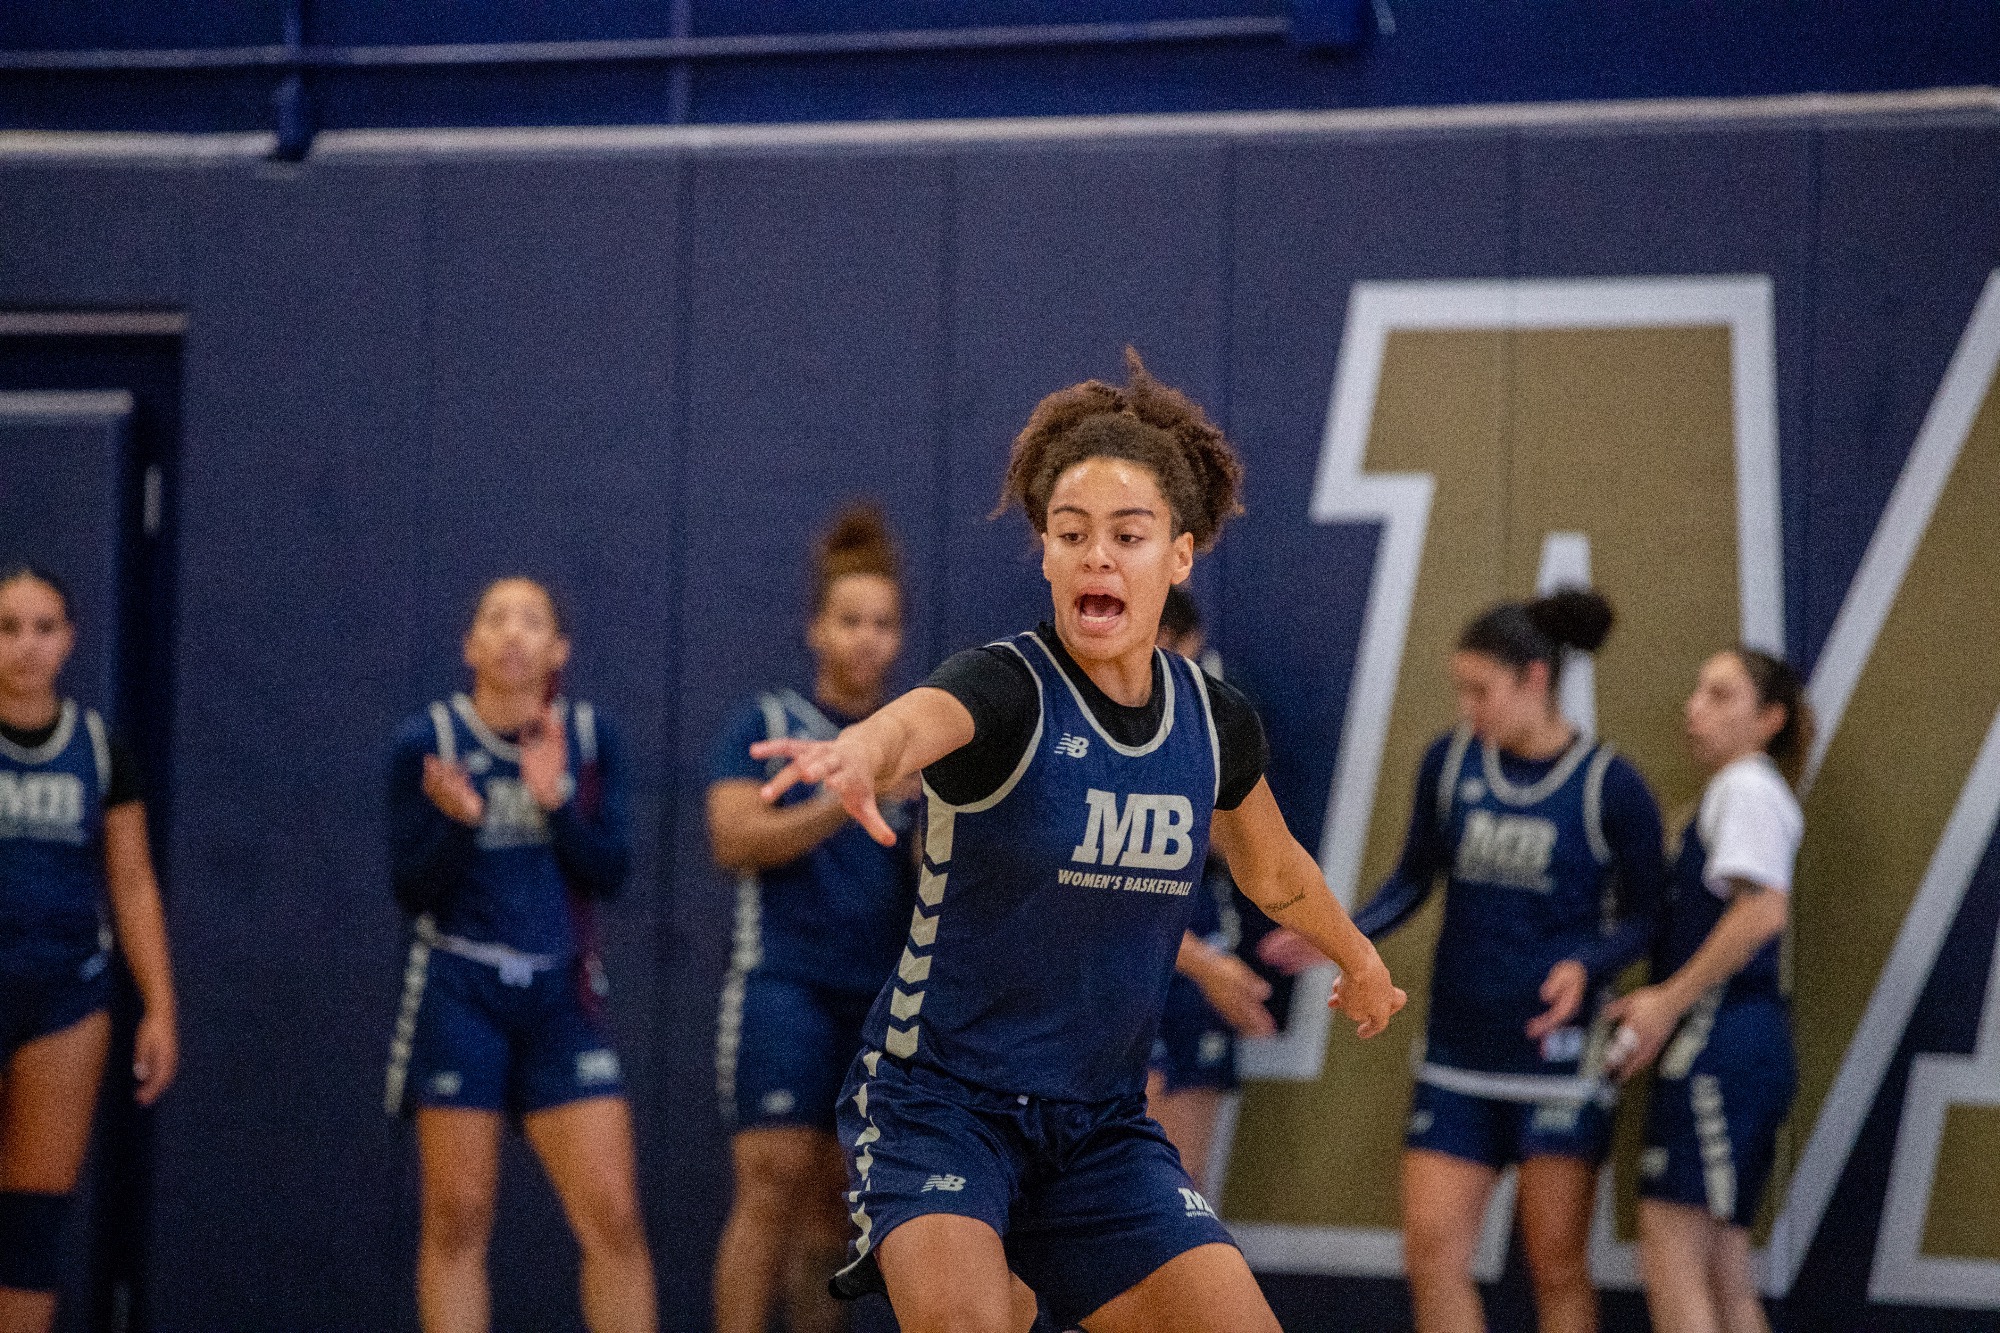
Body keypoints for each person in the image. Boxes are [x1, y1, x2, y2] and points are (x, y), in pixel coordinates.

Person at [752, 350, 1406, 1333]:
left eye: (1126, 535)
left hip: (1096, 1125)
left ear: (1177, 556)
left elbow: (1271, 869)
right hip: (941, 1103)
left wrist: (1355, 956)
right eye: (1071, 534)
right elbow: (909, 726)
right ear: (1047, 555)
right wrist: (860, 750)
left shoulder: (1210, 721)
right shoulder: (1003, 687)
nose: (1096, 555)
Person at [1351, 590, 1667, 1333]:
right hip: (1457, 1053)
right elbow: (1412, 877)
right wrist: (1344, 934)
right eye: (1460, 689)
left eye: (1480, 690)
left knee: (1554, 1264)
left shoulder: (1609, 785)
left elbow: (1652, 917)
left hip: (1554, 1061)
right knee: (1432, 1254)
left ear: (1533, 678)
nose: (1468, 708)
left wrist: (1587, 963)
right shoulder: (1450, 762)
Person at [384, 577, 655, 1333]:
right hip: (460, 989)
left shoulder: (590, 737)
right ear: (469, 644)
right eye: (495, 619)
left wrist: (556, 802)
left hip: (560, 992)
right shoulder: (428, 742)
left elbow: (611, 872)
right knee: (459, 1217)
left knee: (614, 1214)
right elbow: (412, 889)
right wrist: (460, 823)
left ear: (558, 649)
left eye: (531, 620)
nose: (512, 633)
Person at [708, 505, 920, 1333]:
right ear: (816, 630)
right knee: (770, 1179)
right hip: (783, 985)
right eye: (850, 621)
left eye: (883, 624)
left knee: (839, 1209)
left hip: (879, 998)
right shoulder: (766, 725)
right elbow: (733, 838)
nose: (866, 639)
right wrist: (842, 799)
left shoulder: (910, 739)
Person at [1605, 648, 1808, 1333]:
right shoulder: (1741, 790)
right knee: (1723, 1272)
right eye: (1698, 689)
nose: (1696, 707)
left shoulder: (1746, 788)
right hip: (1737, 1049)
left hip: (1720, 1052)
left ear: (1769, 718)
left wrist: (1666, 1002)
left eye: (1722, 695)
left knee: (1673, 1260)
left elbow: (1761, 911)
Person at [0, 567, 177, 1333]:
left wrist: (161, 1005)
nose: (26, 645)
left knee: (32, 1225)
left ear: (70, 639)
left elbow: (132, 881)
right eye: (8, 627)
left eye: (43, 628)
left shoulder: (98, 747)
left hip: (65, 995)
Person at [1145, 585, 1271, 1190]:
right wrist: (1206, 967)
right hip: (1122, 979)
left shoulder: (1204, 721)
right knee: (1116, 1192)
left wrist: (1343, 946)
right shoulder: (1078, 733)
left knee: (1179, 1193)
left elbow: (1251, 850)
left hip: (1198, 952)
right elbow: (1097, 902)